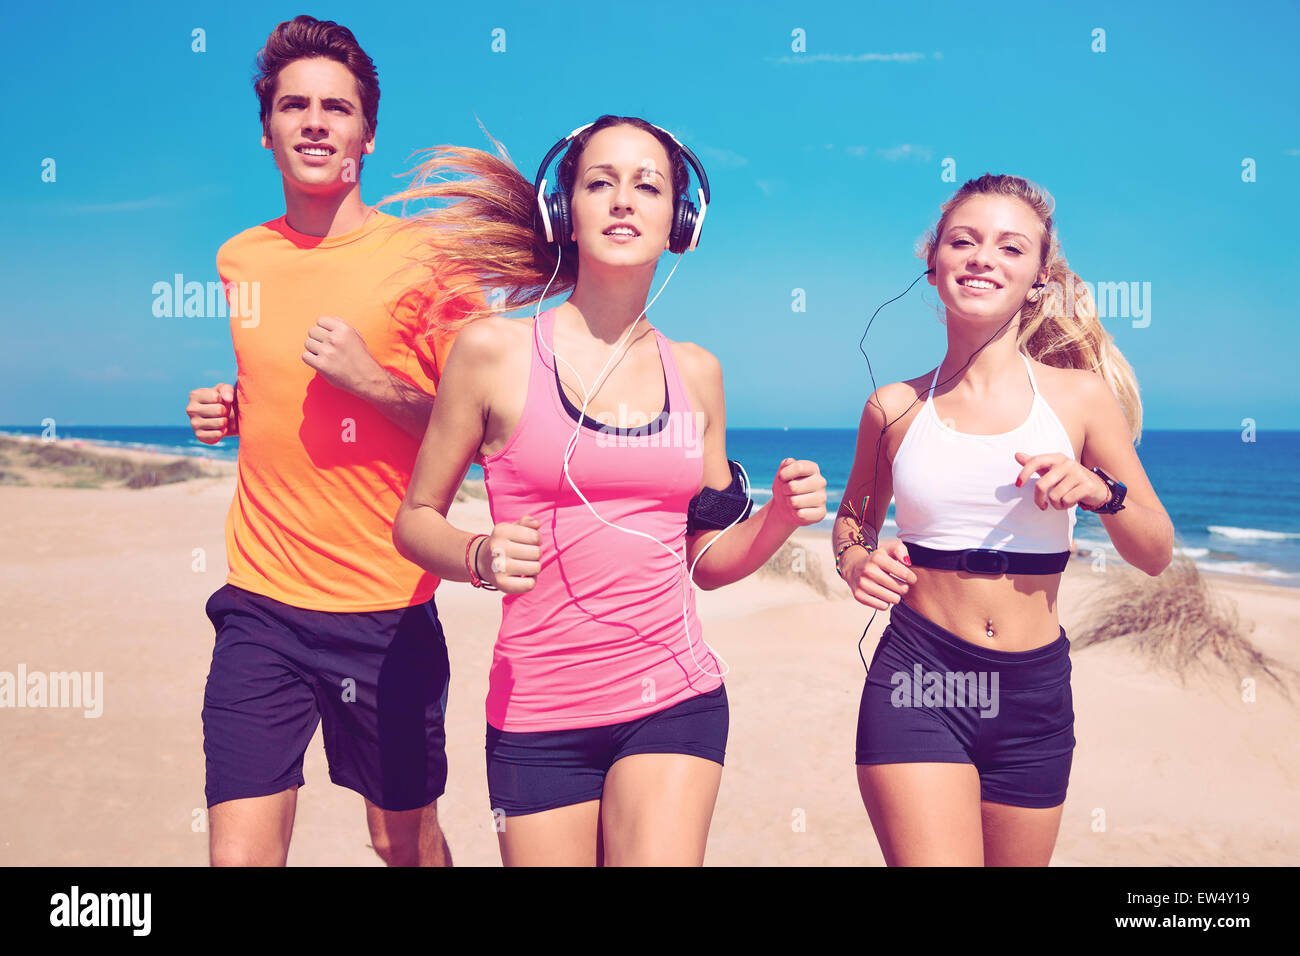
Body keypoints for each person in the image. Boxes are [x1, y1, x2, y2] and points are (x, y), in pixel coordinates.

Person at [389, 115, 827, 866]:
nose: (624, 201)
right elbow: (413, 520)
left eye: (648, 186)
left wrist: (780, 520)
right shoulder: (492, 353)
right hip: (538, 710)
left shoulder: (698, 373)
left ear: (678, 223)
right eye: (600, 183)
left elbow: (707, 564)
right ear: (565, 212)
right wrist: (480, 554)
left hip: (673, 697)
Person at [184, 15, 479, 867]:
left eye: (336, 108)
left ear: (367, 133)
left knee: (404, 843)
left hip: (387, 609)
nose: (314, 122)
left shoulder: (428, 261)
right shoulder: (239, 260)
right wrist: (236, 408)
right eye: (294, 105)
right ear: (267, 128)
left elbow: (485, 429)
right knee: (237, 854)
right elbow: (279, 386)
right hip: (261, 606)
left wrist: (371, 383)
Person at [835, 173, 1173, 866]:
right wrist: (855, 564)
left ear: (1037, 280)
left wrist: (1101, 491)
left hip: (1035, 694)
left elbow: (1155, 551)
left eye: (1010, 248)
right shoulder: (892, 406)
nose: (984, 257)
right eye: (964, 241)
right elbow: (853, 524)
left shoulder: (1081, 400)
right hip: (920, 678)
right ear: (933, 265)